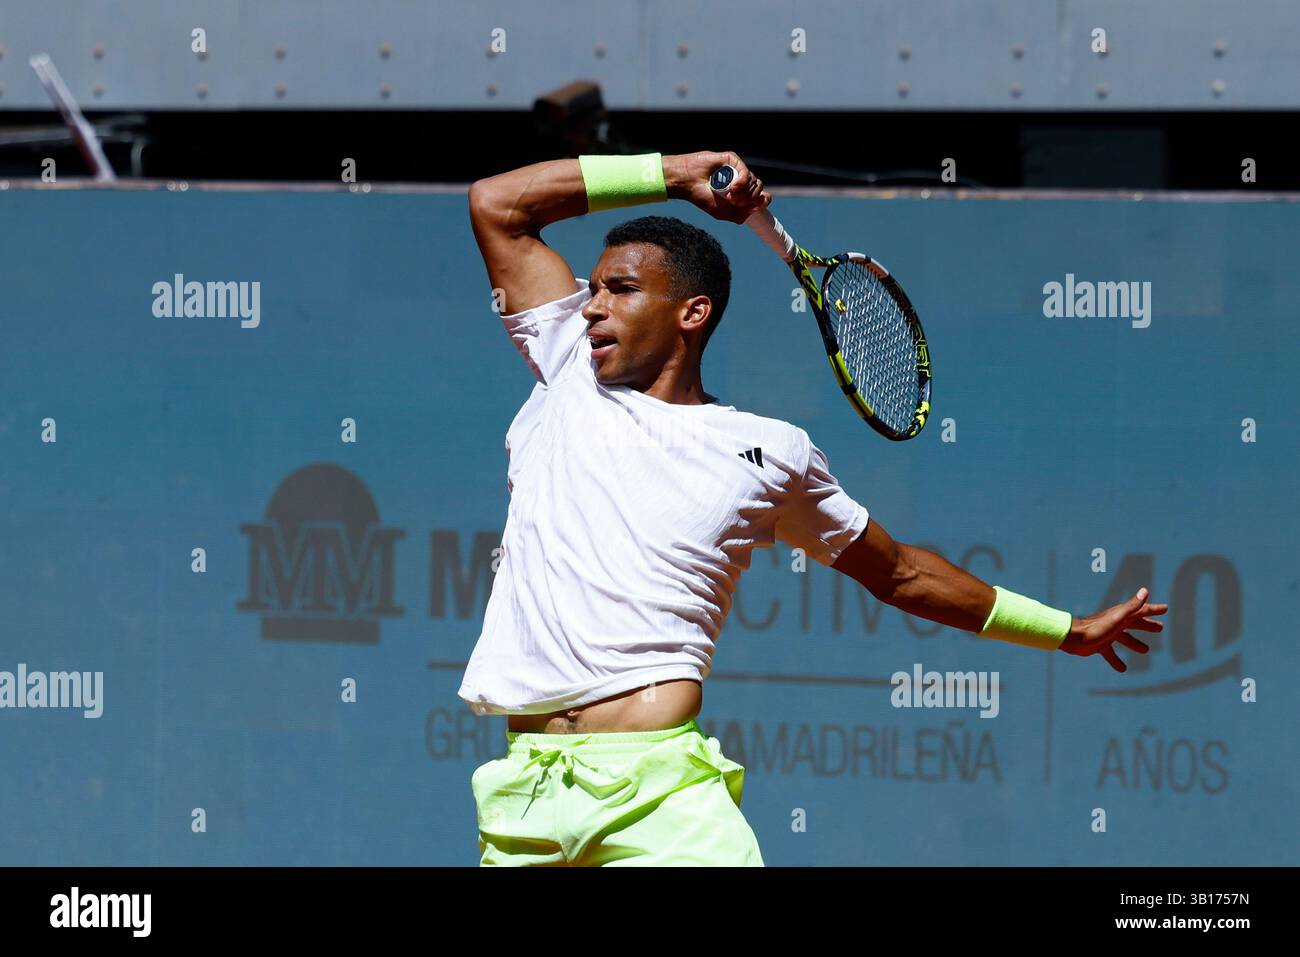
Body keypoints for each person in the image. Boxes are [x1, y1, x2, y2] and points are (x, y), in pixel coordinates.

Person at [458, 150, 1168, 866]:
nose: (593, 304)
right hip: (523, 796)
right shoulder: (567, 362)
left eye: (620, 288)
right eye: (593, 290)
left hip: (662, 801)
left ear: (691, 313)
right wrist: (674, 174)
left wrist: (1066, 630)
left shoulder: (769, 453)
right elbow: (499, 202)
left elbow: (899, 573)